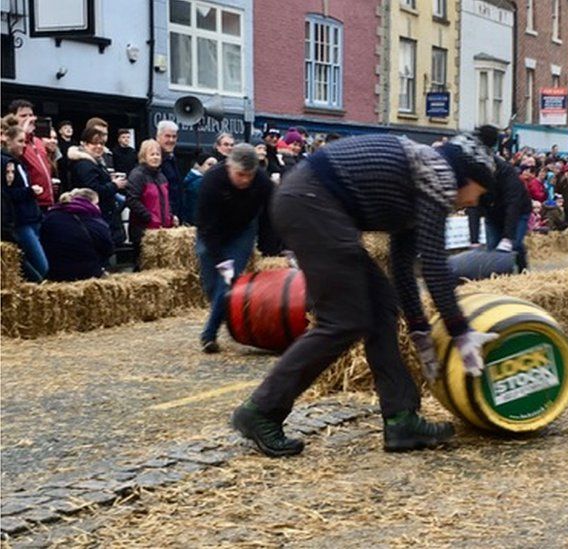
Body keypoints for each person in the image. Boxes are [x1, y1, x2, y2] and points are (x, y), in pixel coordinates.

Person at [231, 132, 499, 457]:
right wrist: (460, 331)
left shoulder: (424, 177)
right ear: (467, 176)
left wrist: (418, 327)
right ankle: (261, 410)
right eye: (478, 193)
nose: (474, 202)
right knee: (344, 320)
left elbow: (404, 265)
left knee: (382, 305)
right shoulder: (440, 175)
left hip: (311, 202)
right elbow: (433, 263)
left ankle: (401, 419)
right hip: (310, 202)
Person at [195, 144, 272, 352]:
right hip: (212, 232)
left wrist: (272, 245)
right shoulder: (211, 181)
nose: (245, 180)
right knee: (212, 285)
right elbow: (205, 227)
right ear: (229, 166)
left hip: (242, 232)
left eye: (250, 175)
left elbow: (270, 216)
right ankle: (225, 312)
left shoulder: (263, 182)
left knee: (228, 279)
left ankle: (209, 335)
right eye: (240, 175)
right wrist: (220, 258)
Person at [474, 126, 532, 272]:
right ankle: (499, 277)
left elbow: (513, 205)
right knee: (493, 247)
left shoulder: (507, 172)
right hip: (492, 212)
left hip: (518, 211)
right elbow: (473, 205)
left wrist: (507, 238)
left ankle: (523, 268)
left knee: (515, 243)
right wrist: (473, 239)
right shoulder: (475, 175)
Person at [2, 124, 48, 281]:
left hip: (32, 217)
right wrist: (29, 191)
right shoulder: (6, 162)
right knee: (41, 268)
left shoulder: (17, 162)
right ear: (8, 140)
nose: (23, 145)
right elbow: (5, 194)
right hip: (21, 221)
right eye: (20, 141)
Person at [40, 188, 114, 281]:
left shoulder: (51, 217)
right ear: (89, 203)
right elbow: (108, 249)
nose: (98, 207)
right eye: (96, 204)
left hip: (55, 273)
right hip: (87, 274)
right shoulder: (95, 222)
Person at [69, 127, 126, 245]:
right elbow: (93, 191)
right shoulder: (84, 164)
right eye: (94, 143)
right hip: (94, 218)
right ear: (84, 144)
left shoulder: (95, 162)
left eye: (102, 143)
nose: (99, 146)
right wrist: (114, 185)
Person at [125, 139, 175, 265]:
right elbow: (132, 200)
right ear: (144, 156)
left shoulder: (161, 176)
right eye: (152, 154)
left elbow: (166, 200)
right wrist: (148, 217)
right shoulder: (137, 175)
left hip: (163, 230)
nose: (155, 157)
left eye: (157, 154)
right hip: (144, 231)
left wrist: (170, 216)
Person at [8, 100, 55, 210]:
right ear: (13, 118)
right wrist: (22, 131)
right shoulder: (10, 140)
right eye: (23, 115)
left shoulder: (38, 141)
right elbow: (14, 156)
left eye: (31, 115)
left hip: (47, 202)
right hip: (28, 201)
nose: (29, 119)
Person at [155, 120, 183, 223]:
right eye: (167, 136)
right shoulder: (155, 160)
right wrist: (170, 214)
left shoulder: (172, 158)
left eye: (174, 136)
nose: (171, 140)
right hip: (162, 218)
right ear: (158, 137)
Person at [180, 152, 217, 227]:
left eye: (216, 165)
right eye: (209, 164)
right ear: (199, 165)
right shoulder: (200, 183)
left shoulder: (190, 179)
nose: (213, 168)